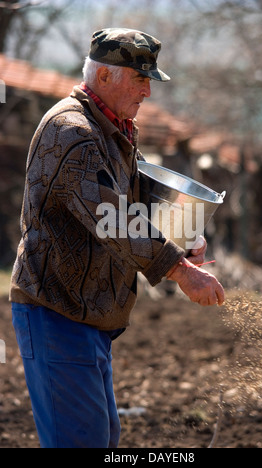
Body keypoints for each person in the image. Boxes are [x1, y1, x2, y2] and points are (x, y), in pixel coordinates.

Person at [10, 28, 225, 448]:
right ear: (105, 77)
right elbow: (115, 219)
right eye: (140, 79)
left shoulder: (115, 130)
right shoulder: (72, 132)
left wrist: (185, 239)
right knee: (83, 441)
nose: (147, 92)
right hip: (56, 311)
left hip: (88, 315)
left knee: (101, 438)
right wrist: (180, 271)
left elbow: (142, 194)